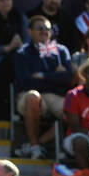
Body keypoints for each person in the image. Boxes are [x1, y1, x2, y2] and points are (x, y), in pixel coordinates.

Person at [13, 14, 74, 159]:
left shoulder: (61, 51)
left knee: (74, 109)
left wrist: (42, 75)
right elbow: (25, 81)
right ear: (30, 31)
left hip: (56, 95)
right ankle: (35, 148)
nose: (44, 31)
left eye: (47, 28)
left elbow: (67, 78)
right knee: (33, 96)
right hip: (30, 95)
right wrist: (55, 76)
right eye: (39, 28)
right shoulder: (22, 53)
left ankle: (36, 144)